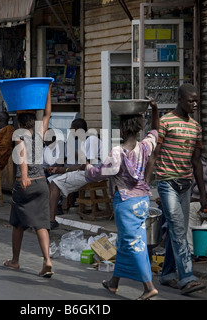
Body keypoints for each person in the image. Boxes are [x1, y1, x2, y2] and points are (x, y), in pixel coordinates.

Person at [85, 98, 159, 300]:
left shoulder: (118, 152)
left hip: (126, 203)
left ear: (122, 131)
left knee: (133, 244)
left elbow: (100, 173)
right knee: (128, 243)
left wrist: (88, 168)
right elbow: (155, 132)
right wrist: (155, 110)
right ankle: (113, 283)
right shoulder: (145, 147)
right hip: (143, 201)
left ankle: (149, 286)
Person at [145, 83, 207, 295]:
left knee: (177, 230)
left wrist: (203, 197)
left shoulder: (196, 127)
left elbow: (197, 163)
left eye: (196, 100)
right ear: (180, 100)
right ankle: (187, 277)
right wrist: (146, 184)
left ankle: (167, 274)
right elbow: (154, 155)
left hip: (186, 184)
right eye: (190, 100)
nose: (194, 104)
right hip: (167, 183)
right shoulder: (165, 122)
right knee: (179, 229)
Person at [3, 83, 53, 278]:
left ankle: (15, 261)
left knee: (17, 224)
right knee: (41, 224)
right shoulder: (40, 132)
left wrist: (24, 176)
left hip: (25, 184)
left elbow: (22, 155)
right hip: (42, 183)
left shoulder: (19, 135)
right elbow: (47, 113)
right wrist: (48, 89)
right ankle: (47, 260)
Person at [45, 118, 101, 230]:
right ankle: (51, 214)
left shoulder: (92, 139)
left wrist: (64, 170)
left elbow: (85, 166)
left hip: (93, 173)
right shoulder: (83, 142)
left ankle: (51, 220)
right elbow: (80, 165)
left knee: (55, 183)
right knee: (51, 180)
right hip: (85, 171)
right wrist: (59, 169)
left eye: (71, 129)